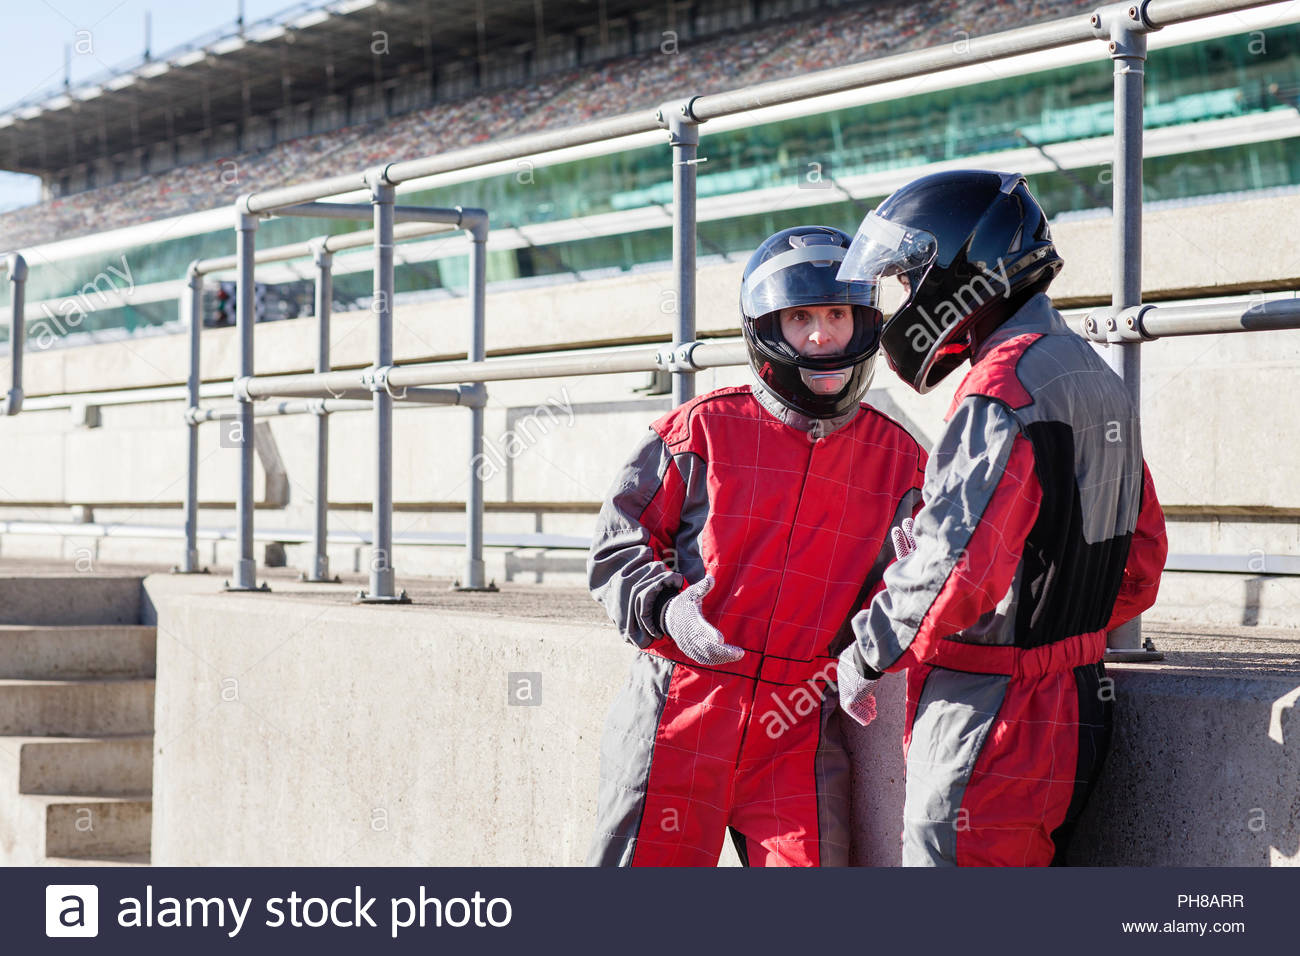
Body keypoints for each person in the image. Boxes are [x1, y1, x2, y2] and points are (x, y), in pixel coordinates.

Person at [834, 169, 1168, 866]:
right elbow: (1138, 566)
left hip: (989, 717)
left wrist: (869, 650)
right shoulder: (1090, 372)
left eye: (905, 280)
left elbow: (955, 572)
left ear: (958, 270)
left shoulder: (999, 390)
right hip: (1078, 702)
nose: (901, 299)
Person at [586, 225, 926, 867]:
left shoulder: (900, 459)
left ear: (866, 323)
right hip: (682, 706)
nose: (822, 336)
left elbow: (918, 582)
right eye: (800, 318)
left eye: (837, 315)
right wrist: (665, 611)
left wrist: (869, 655)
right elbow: (617, 548)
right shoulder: (701, 430)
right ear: (766, 326)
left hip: (800, 720)